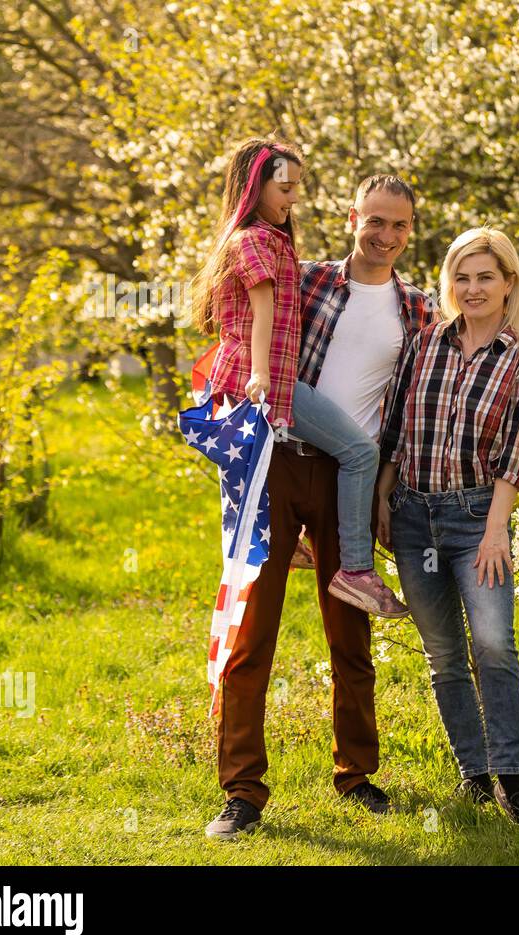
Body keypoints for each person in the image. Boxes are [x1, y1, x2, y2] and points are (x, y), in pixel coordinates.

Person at [193, 158, 438, 839]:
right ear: (353, 220)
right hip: (275, 468)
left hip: (345, 482)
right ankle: (242, 791)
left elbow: (408, 411)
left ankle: (356, 774)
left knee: (349, 636)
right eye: (375, 221)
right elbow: (242, 336)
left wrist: (387, 492)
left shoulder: (416, 308)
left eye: (400, 226)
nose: (386, 235)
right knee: (253, 632)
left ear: (409, 232)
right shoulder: (308, 277)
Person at [375, 227, 519, 827]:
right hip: (412, 516)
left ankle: (512, 779)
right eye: (462, 276)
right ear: (449, 283)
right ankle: (473, 775)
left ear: (508, 284)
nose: (472, 288)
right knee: (444, 653)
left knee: (494, 645)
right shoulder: (424, 344)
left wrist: (496, 529)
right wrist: (382, 501)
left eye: (485, 277)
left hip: (478, 516)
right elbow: (396, 431)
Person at [189, 136, 405, 620]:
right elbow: (262, 310)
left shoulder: (267, 241)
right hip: (267, 380)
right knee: (358, 451)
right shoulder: (255, 240)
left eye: (296, 188)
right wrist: (262, 372)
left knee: (251, 460)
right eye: (285, 188)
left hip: (264, 379)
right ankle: (355, 568)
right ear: (255, 184)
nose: (293, 199)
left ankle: (294, 548)